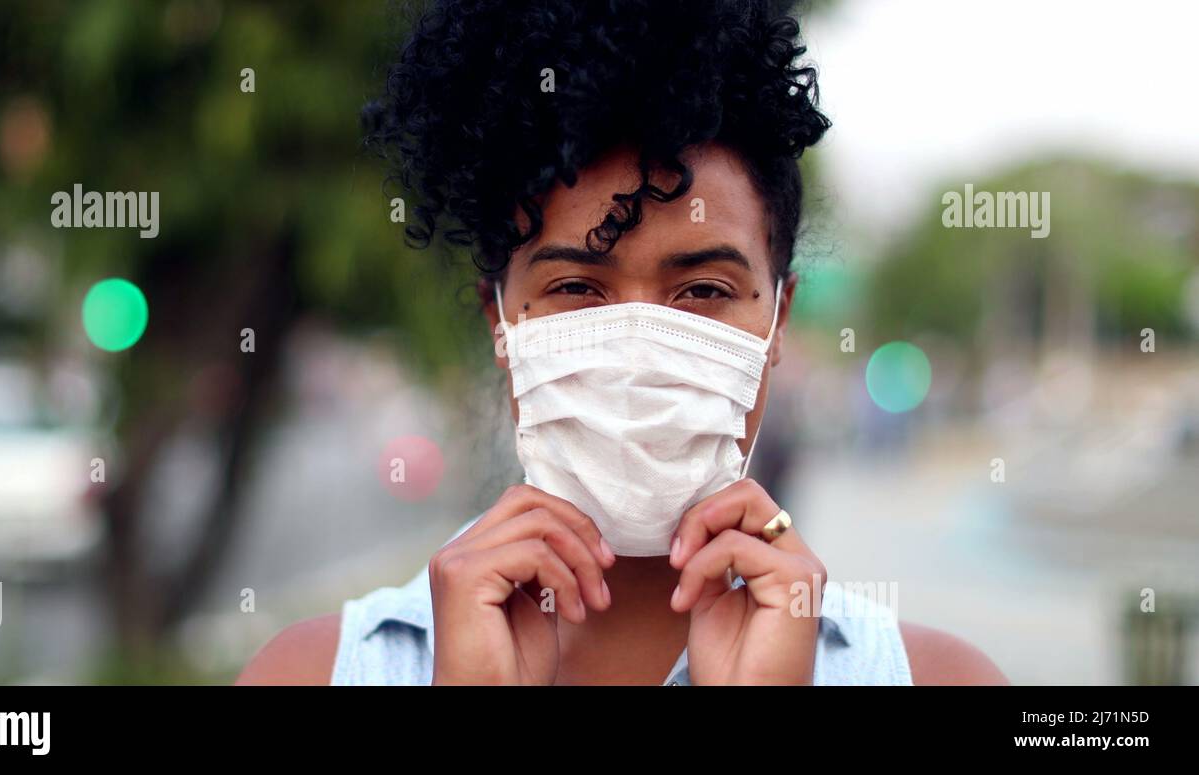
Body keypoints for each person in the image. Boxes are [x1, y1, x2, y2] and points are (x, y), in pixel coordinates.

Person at [237, 0, 1007, 686]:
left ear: (779, 320)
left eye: (702, 291)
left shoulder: (938, 677)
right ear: (499, 324)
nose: (640, 348)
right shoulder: (314, 671)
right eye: (576, 289)